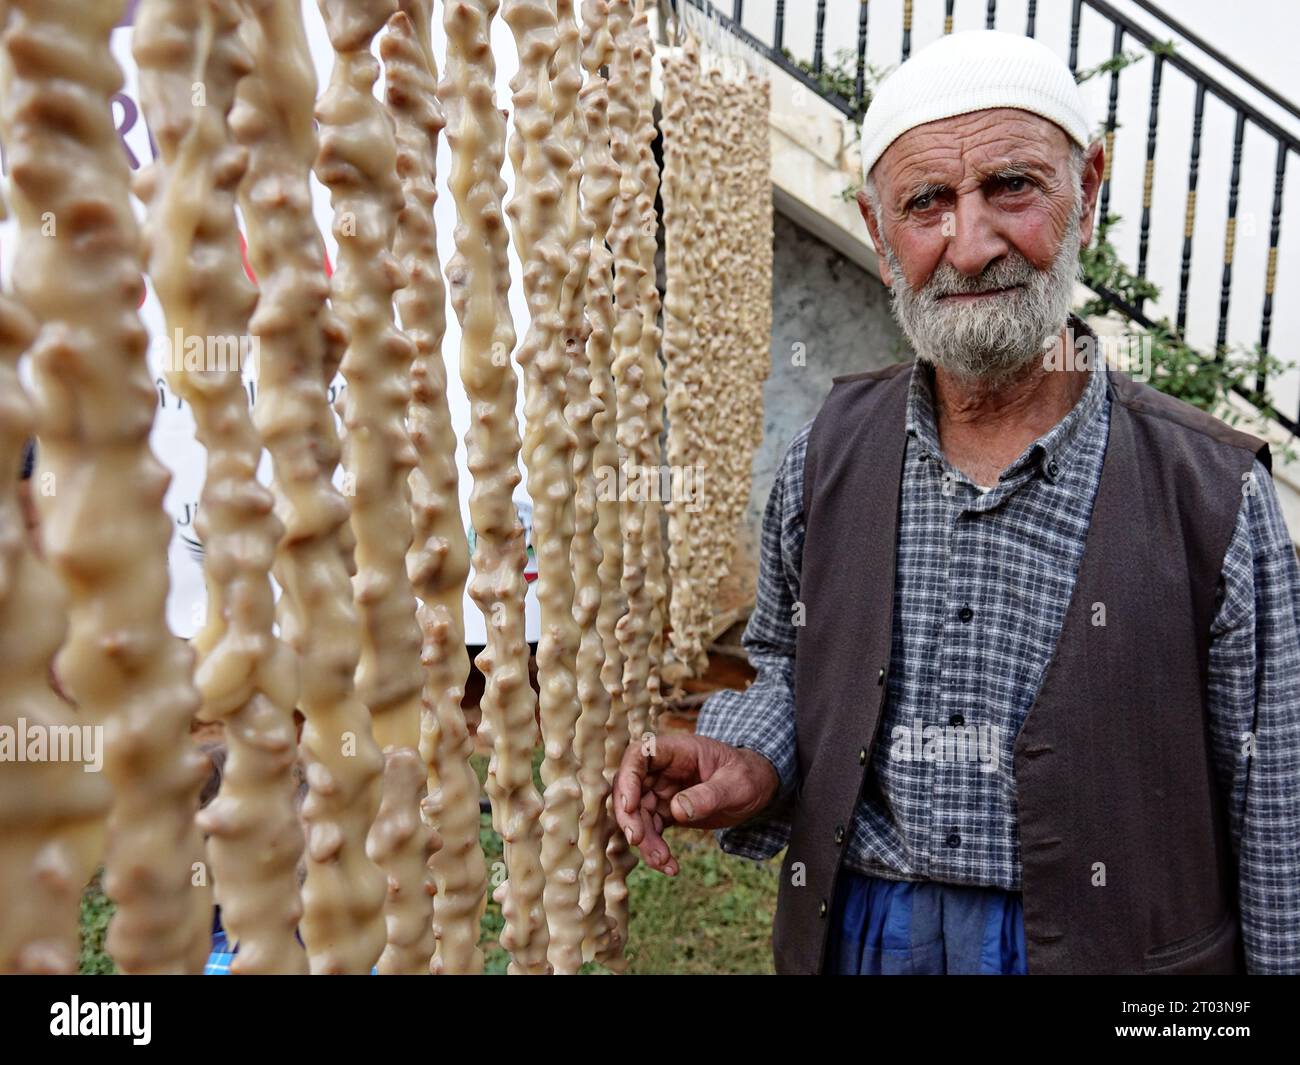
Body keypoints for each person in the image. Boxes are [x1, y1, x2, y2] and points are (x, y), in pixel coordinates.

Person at [614, 30, 1300, 975]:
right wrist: (751, 758)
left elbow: (1279, 814)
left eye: (1012, 187)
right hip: (862, 935)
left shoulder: (1213, 496)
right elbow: (785, 667)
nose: (970, 247)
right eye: (927, 202)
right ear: (880, 230)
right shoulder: (830, 453)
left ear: (1087, 192)